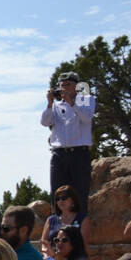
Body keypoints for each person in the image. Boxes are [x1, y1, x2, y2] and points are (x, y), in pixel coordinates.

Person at [41, 71, 95, 209]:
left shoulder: (86, 99)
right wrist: (49, 103)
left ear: (76, 86)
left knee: (79, 194)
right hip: (59, 154)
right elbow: (45, 122)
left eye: (68, 85)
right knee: (58, 194)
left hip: (78, 153)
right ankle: (58, 226)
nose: (64, 88)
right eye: (62, 85)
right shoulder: (56, 105)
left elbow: (86, 118)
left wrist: (72, 103)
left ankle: (79, 225)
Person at [39, 185, 92, 252]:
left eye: (64, 198)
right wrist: (47, 256)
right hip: (52, 258)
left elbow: (82, 245)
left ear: (73, 200)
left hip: (74, 259)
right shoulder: (50, 220)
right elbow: (43, 243)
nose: (60, 201)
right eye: (57, 199)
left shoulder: (83, 219)